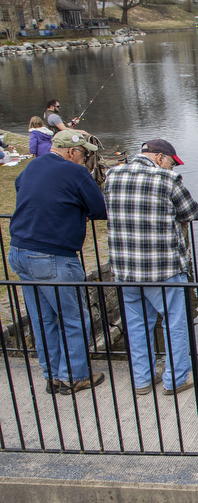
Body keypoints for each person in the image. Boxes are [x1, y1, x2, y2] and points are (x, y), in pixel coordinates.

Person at [7, 130, 107, 395]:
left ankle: (52, 375)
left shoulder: (34, 165)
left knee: (41, 318)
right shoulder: (76, 173)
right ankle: (75, 377)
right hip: (52, 257)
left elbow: (21, 188)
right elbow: (99, 208)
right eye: (85, 153)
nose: (86, 158)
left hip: (18, 251)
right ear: (72, 152)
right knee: (74, 318)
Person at [105, 139, 198, 396]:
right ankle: (176, 379)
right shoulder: (167, 180)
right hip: (164, 268)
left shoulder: (112, 175)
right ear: (159, 158)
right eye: (170, 162)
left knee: (136, 324)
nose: (171, 167)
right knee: (175, 322)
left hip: (125, 269)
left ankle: (142, 380)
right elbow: (190, 212)